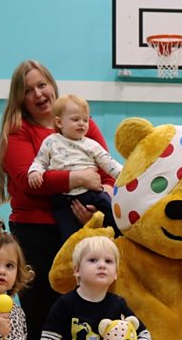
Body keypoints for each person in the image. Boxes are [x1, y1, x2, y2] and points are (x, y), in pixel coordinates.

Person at [0, 60, 114, 340]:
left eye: (41, 85)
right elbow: (26, 179)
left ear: (52, 85)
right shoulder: (18, 131)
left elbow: (107, 171)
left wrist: (100, 206)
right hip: (36, 231)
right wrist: (77, 177)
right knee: (40, 315)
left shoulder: (81, 122)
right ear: (19, 97)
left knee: (83, 310)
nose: (37, 94)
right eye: (28, 90)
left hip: (81, 226)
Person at [26, 94, 122, 238]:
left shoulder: (91, 144)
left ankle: (121, 236)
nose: (82, 124)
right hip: (64, 199)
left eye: (85, 120)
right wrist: (34, 172)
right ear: (59, 123)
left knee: (113, 210)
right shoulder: (51, 141)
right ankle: (71, 256)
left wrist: (127, 175)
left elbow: (109, 163)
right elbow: (40, 161)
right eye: (76, 120)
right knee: (70, 236)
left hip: (92, 194)